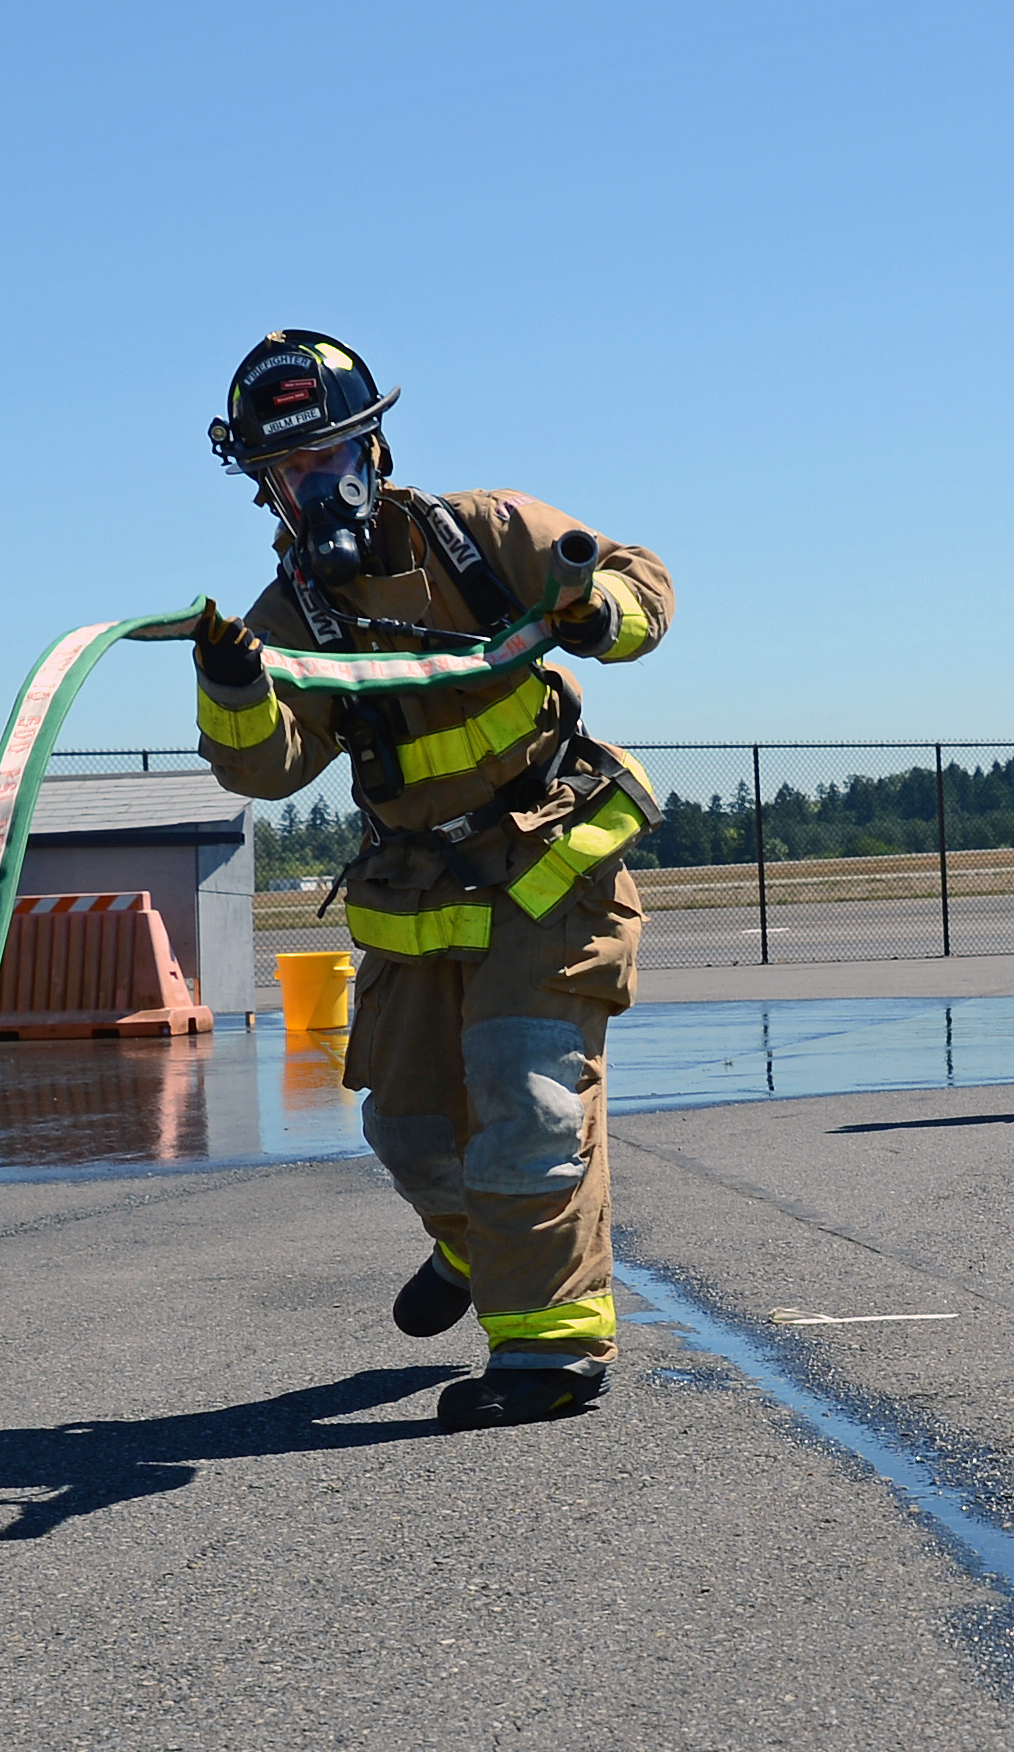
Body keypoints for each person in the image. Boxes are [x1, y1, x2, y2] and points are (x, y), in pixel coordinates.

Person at [191, 331, 672, 1432]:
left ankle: (548, 1353)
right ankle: (476, 1248)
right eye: (291, 469)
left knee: (525, 1098)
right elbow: (265, 768)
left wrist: (598, 613)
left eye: (333, 456)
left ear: (374, 446)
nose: (318, 485)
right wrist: (231, 686)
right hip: (416, 893)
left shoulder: (482, 533)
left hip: (548, 867)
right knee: (405, 1129)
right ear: (264, 484)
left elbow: (637, 579)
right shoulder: (286, 622)